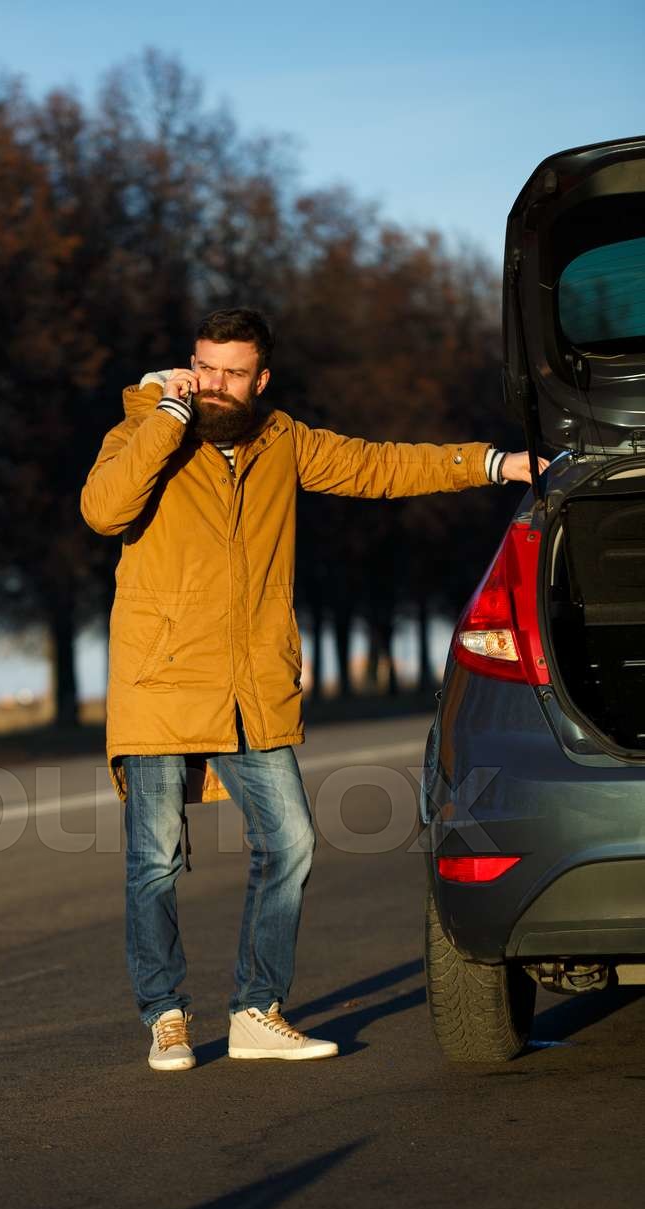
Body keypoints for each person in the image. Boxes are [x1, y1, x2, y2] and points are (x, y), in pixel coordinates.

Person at [80, 307, 543, 1072]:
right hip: (157, 681)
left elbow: (380, 466)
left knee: (289, 841)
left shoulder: (281, 441)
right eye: (203, 366)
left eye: (232, 372)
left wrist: (495, 465)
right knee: (153, 859)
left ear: (260, 379)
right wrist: (165, 413)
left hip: (250, 684)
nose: (215, 385)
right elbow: (104, 510)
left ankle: (257, 1009)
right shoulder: (143, 432)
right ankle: (164, 1014)